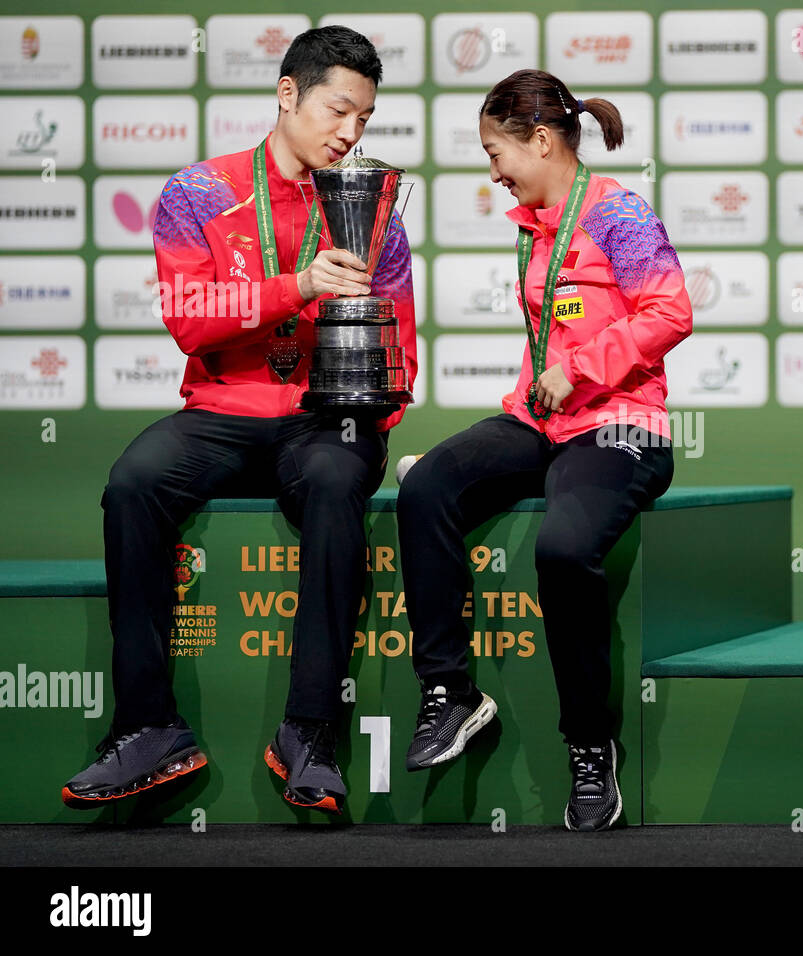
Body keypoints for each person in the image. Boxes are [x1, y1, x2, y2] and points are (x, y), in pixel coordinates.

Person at [61, 26, 417, 816]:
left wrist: (375, 402)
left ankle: (310, 731)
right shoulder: (197, 193)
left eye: (363, 119)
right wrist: (298, 285)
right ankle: (150, 727)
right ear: (288, 94)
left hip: (322, 424)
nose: (350, 133)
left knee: (336, 482)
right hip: (222, 411)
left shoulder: (371, 199)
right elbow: (189, 318)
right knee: (132, 483)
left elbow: (400, 331)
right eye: (337, 110)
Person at [396, 69, 691, 831]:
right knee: (427, 486)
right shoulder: (535, 224)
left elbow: (671, 311)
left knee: (562, 549)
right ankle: (451, 692)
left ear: (542, 139)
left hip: (621, 425)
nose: (492, 170)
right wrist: (545, 387)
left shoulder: (618, 212)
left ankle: (591, 750)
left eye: (498, 151)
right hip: (542, 421)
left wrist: (582, 370)